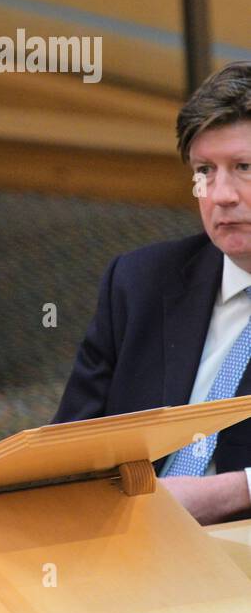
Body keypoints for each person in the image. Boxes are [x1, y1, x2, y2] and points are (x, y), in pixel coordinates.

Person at [56, 62, 251, 525]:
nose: (221, 194)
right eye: (205, 170)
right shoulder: (140, 281)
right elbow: (67, 448)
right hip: (124, 548)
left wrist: (234, 490)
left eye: (244, 167)